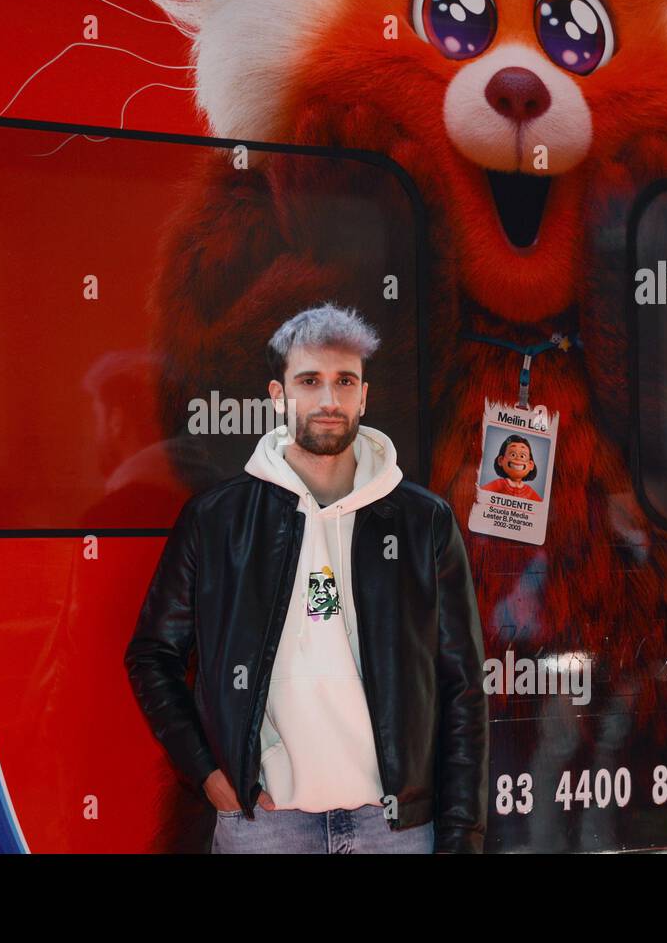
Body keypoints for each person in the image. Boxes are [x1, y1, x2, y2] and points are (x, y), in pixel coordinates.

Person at [124, 302, 488, 853]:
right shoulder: (217, 520)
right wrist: (208, 775)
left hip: (392, 828)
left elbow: (462, 687)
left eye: (345, 381)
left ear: (363, 395)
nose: (328, 399)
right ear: (278, 395)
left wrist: (461, 835)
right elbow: (152, 656)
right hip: (265, 827)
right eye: (310, 380)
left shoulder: (423, 522)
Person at [480, 435, 543, 501]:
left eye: (522, 456)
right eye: (513, 454)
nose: (518, 458)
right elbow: (481, 494)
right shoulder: (499, 484)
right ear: (501, 460)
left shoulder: (529, 491)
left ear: (531, 465)